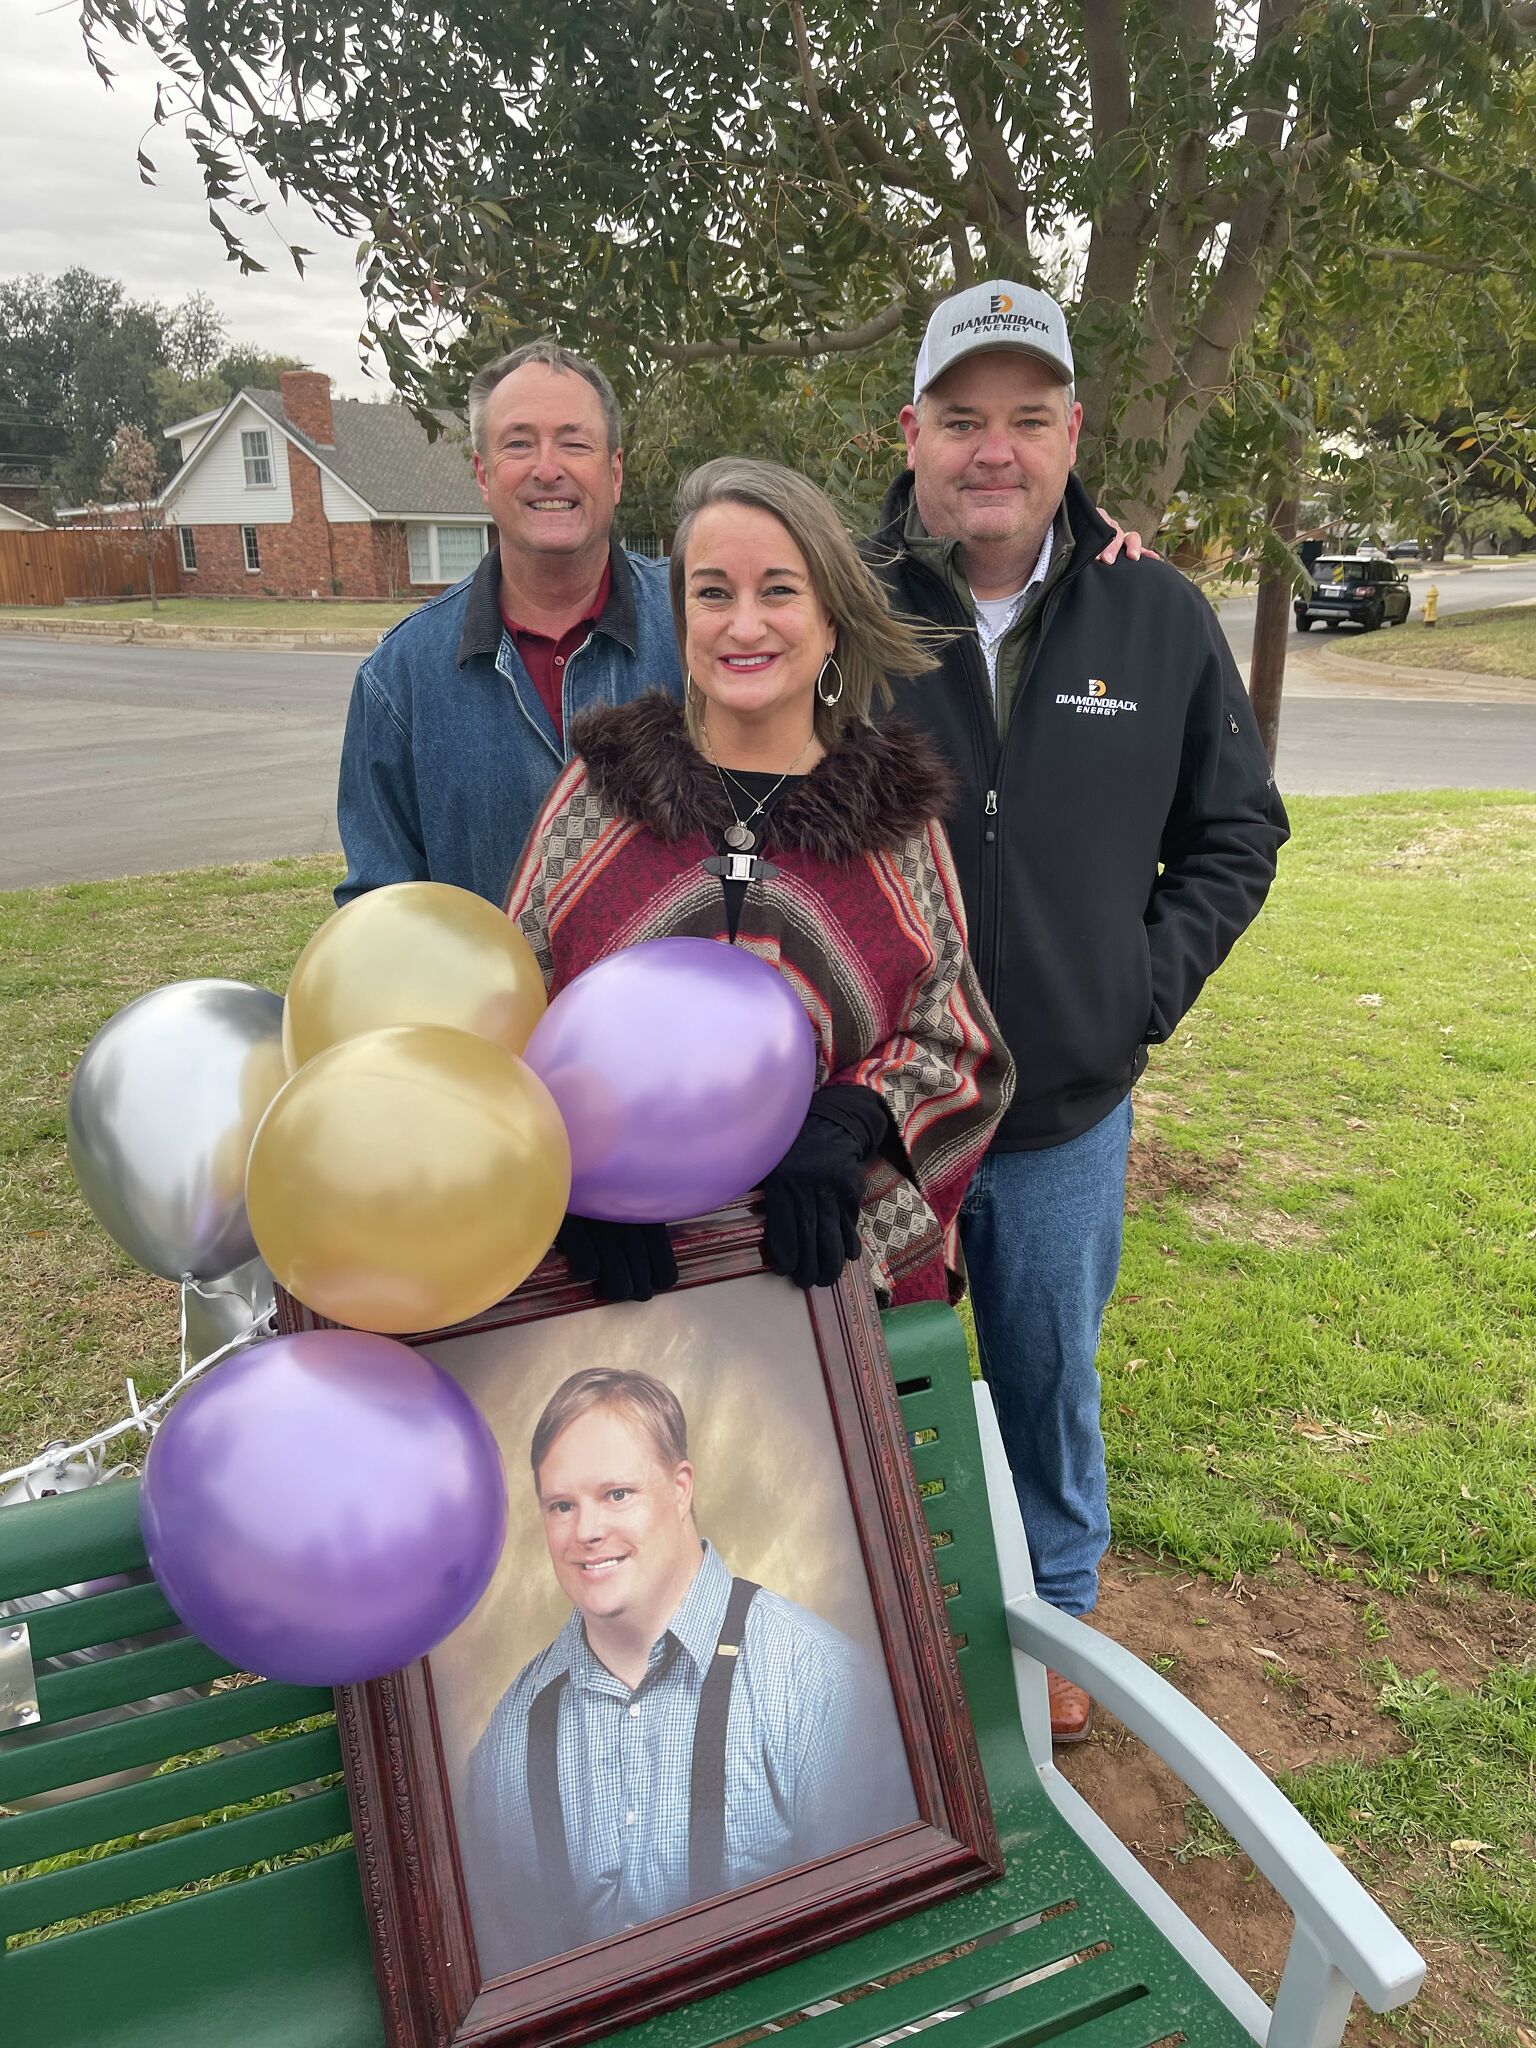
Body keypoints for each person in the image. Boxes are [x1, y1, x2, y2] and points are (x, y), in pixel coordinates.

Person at [867, 280, 1290, 1742]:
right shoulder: (843, 611)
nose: (997, 450)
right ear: (910, 431)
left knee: (1047, 1379)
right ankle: (891, 1611)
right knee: (876, 1376)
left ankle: (1052, 1619)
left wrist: (1135, 995)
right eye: (966, 419)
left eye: (1029, 419)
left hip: (1062, 1114)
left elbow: (1238, 836)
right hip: (880, 1118)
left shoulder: (1156, 611)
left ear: (1073, 434)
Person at [505, 457, 1014, 1309]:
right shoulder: (596, 796)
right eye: (712, 593)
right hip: (614, 1299)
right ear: (681, 618)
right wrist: (569, 1179)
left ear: (831, 620)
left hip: (827, 1292)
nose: (744, 626)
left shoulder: (895, 821)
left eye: (778, 590)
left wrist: (850, 1121)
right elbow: (512, 1013)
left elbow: (958, 1048)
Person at [463, 1368, 916, 1972]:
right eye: (561, 1506)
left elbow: (879, 1952)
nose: (587, 1532)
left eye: (617, 1494)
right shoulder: (510, 1734)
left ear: (681, 1489)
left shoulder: (815, 1682)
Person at [334, 341, 680, 908]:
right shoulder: (399, 680)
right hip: (481, 1001)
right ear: (482, 474)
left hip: (673, 999)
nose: (549, 469)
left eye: (575, 443)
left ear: (614, 472)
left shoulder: (698, 632)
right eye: (519, 444)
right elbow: (381, 915)